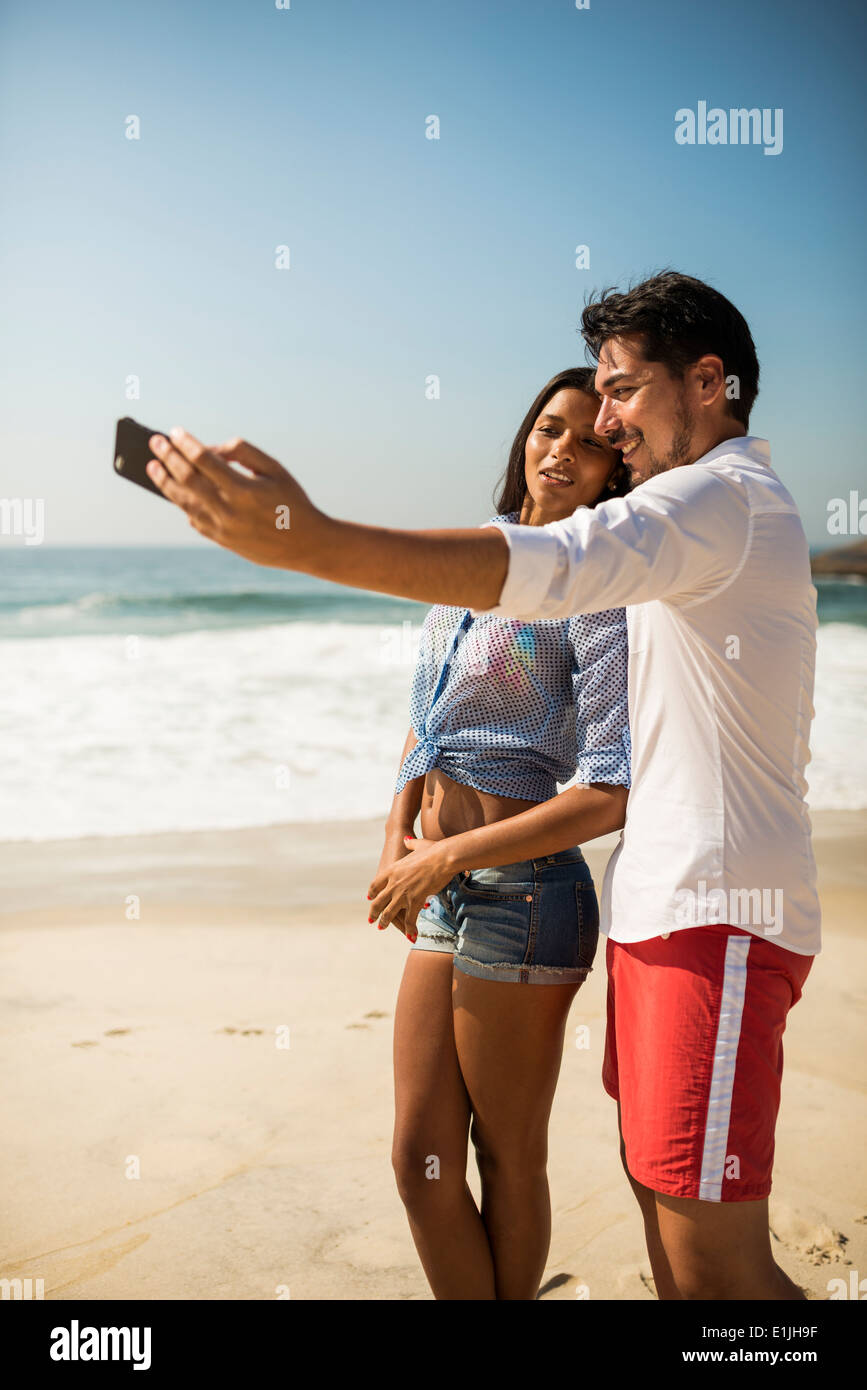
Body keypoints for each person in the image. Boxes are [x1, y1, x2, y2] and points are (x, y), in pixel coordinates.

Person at [145, 269, 821, 1301]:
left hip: (711, 916)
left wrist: (309, 538)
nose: (601, 424)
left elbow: (555, 580)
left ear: (708, 383)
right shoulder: (683, 528)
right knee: (667, 1241)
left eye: (621, 393)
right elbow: (451, 697)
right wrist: (407, 838)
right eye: (582, 406)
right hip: (657, 909)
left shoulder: (715, 501)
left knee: (714, 1271)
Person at [374, 368, 631, 1299]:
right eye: (548, 429)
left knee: (505, 1156)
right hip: (438, 889)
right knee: (417, 1157)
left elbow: (609, 791)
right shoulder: (473, 562)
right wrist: (398, 833)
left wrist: (443, 852)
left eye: (590, 440)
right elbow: (423, 714)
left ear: (613, 471)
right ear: (524, 439)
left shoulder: (595, 587)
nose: (562, 449)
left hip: (529, 898)